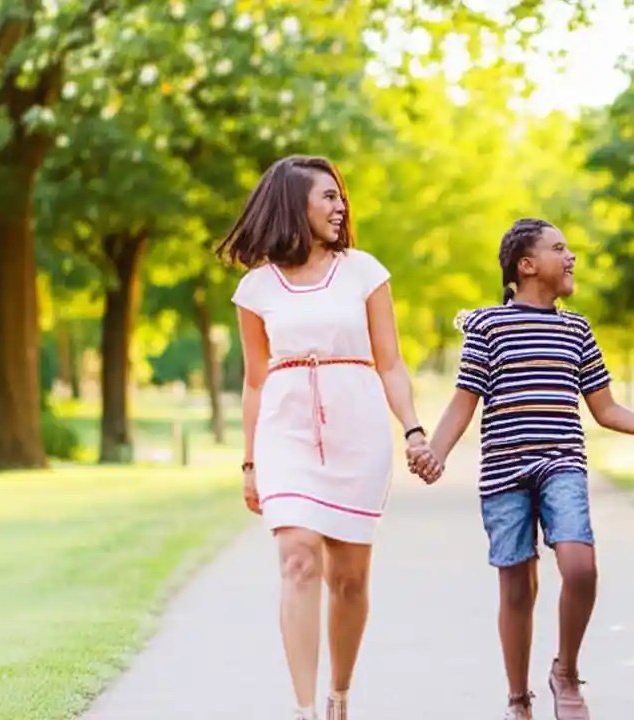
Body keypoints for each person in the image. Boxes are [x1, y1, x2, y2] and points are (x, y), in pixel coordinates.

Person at [416, 218, 634, 720]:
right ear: (526, 265)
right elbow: (463, 403)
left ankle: (565, 671)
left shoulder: (576, 329)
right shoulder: (488, 328)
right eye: (559, 248)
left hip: (562, 464)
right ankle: (519, 700)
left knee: (580, 567)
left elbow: (604, 410)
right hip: (504, 473)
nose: (571, 257)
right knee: (516, 585)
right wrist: (436, 451)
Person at [219, 155, 438, 720]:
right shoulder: (255, 289)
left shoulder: (364, 271)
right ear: (296, 205)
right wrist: (249, 464)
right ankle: (303, 709)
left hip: (357, 428)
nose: (340, 206)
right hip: (285, 432)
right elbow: (253, 381)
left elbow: (390, 364)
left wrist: (412, 428)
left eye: (341, 196)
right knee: (296, 559)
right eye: (328, 197)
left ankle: (338, 696)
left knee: (348, 578)